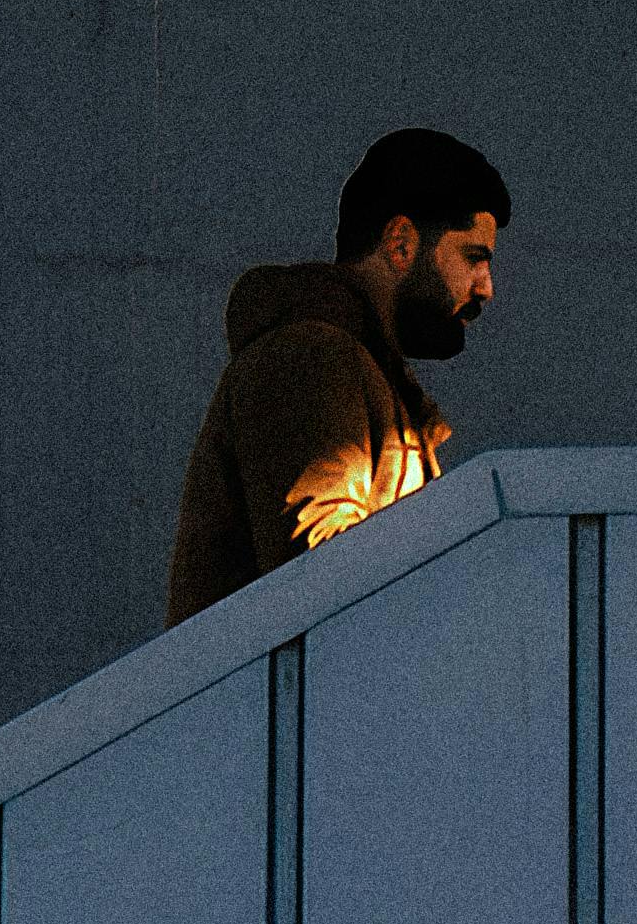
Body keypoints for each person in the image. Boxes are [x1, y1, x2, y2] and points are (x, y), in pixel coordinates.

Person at [165, 128, 509, 624]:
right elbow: (324, 588)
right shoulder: (310, 359)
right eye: (473, 257)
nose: (486, 288)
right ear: (401, 244)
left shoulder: (356, 372)